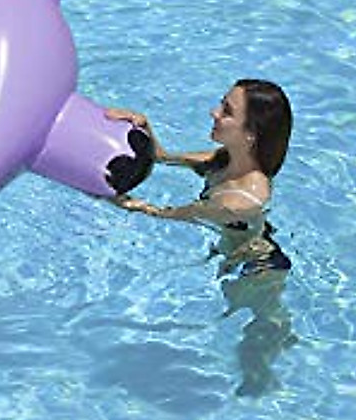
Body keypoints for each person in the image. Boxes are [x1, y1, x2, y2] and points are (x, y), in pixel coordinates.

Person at [105, 79, 293, 279]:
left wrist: (112, 195)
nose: (214, 112)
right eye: (221, 103)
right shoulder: (222, 159)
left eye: (227, 111)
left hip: (257, 269)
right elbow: (162, 157)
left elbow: (164, 214)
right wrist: (143, 126)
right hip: (237, 252)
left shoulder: (237, 202)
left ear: (250, 134)